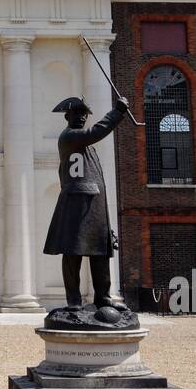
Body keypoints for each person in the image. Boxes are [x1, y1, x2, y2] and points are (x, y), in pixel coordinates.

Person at [43, 94, 130, 308]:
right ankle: (73, 300)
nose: (82, 117)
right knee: (72, 252)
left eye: (84, 114)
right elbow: (96, 132)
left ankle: (103, 297)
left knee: (101, 252)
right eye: (77, 113)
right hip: (75, 202)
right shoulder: (70, 136)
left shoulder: (86, 145)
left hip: (95, 204)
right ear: (67, 116)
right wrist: (117, 112)